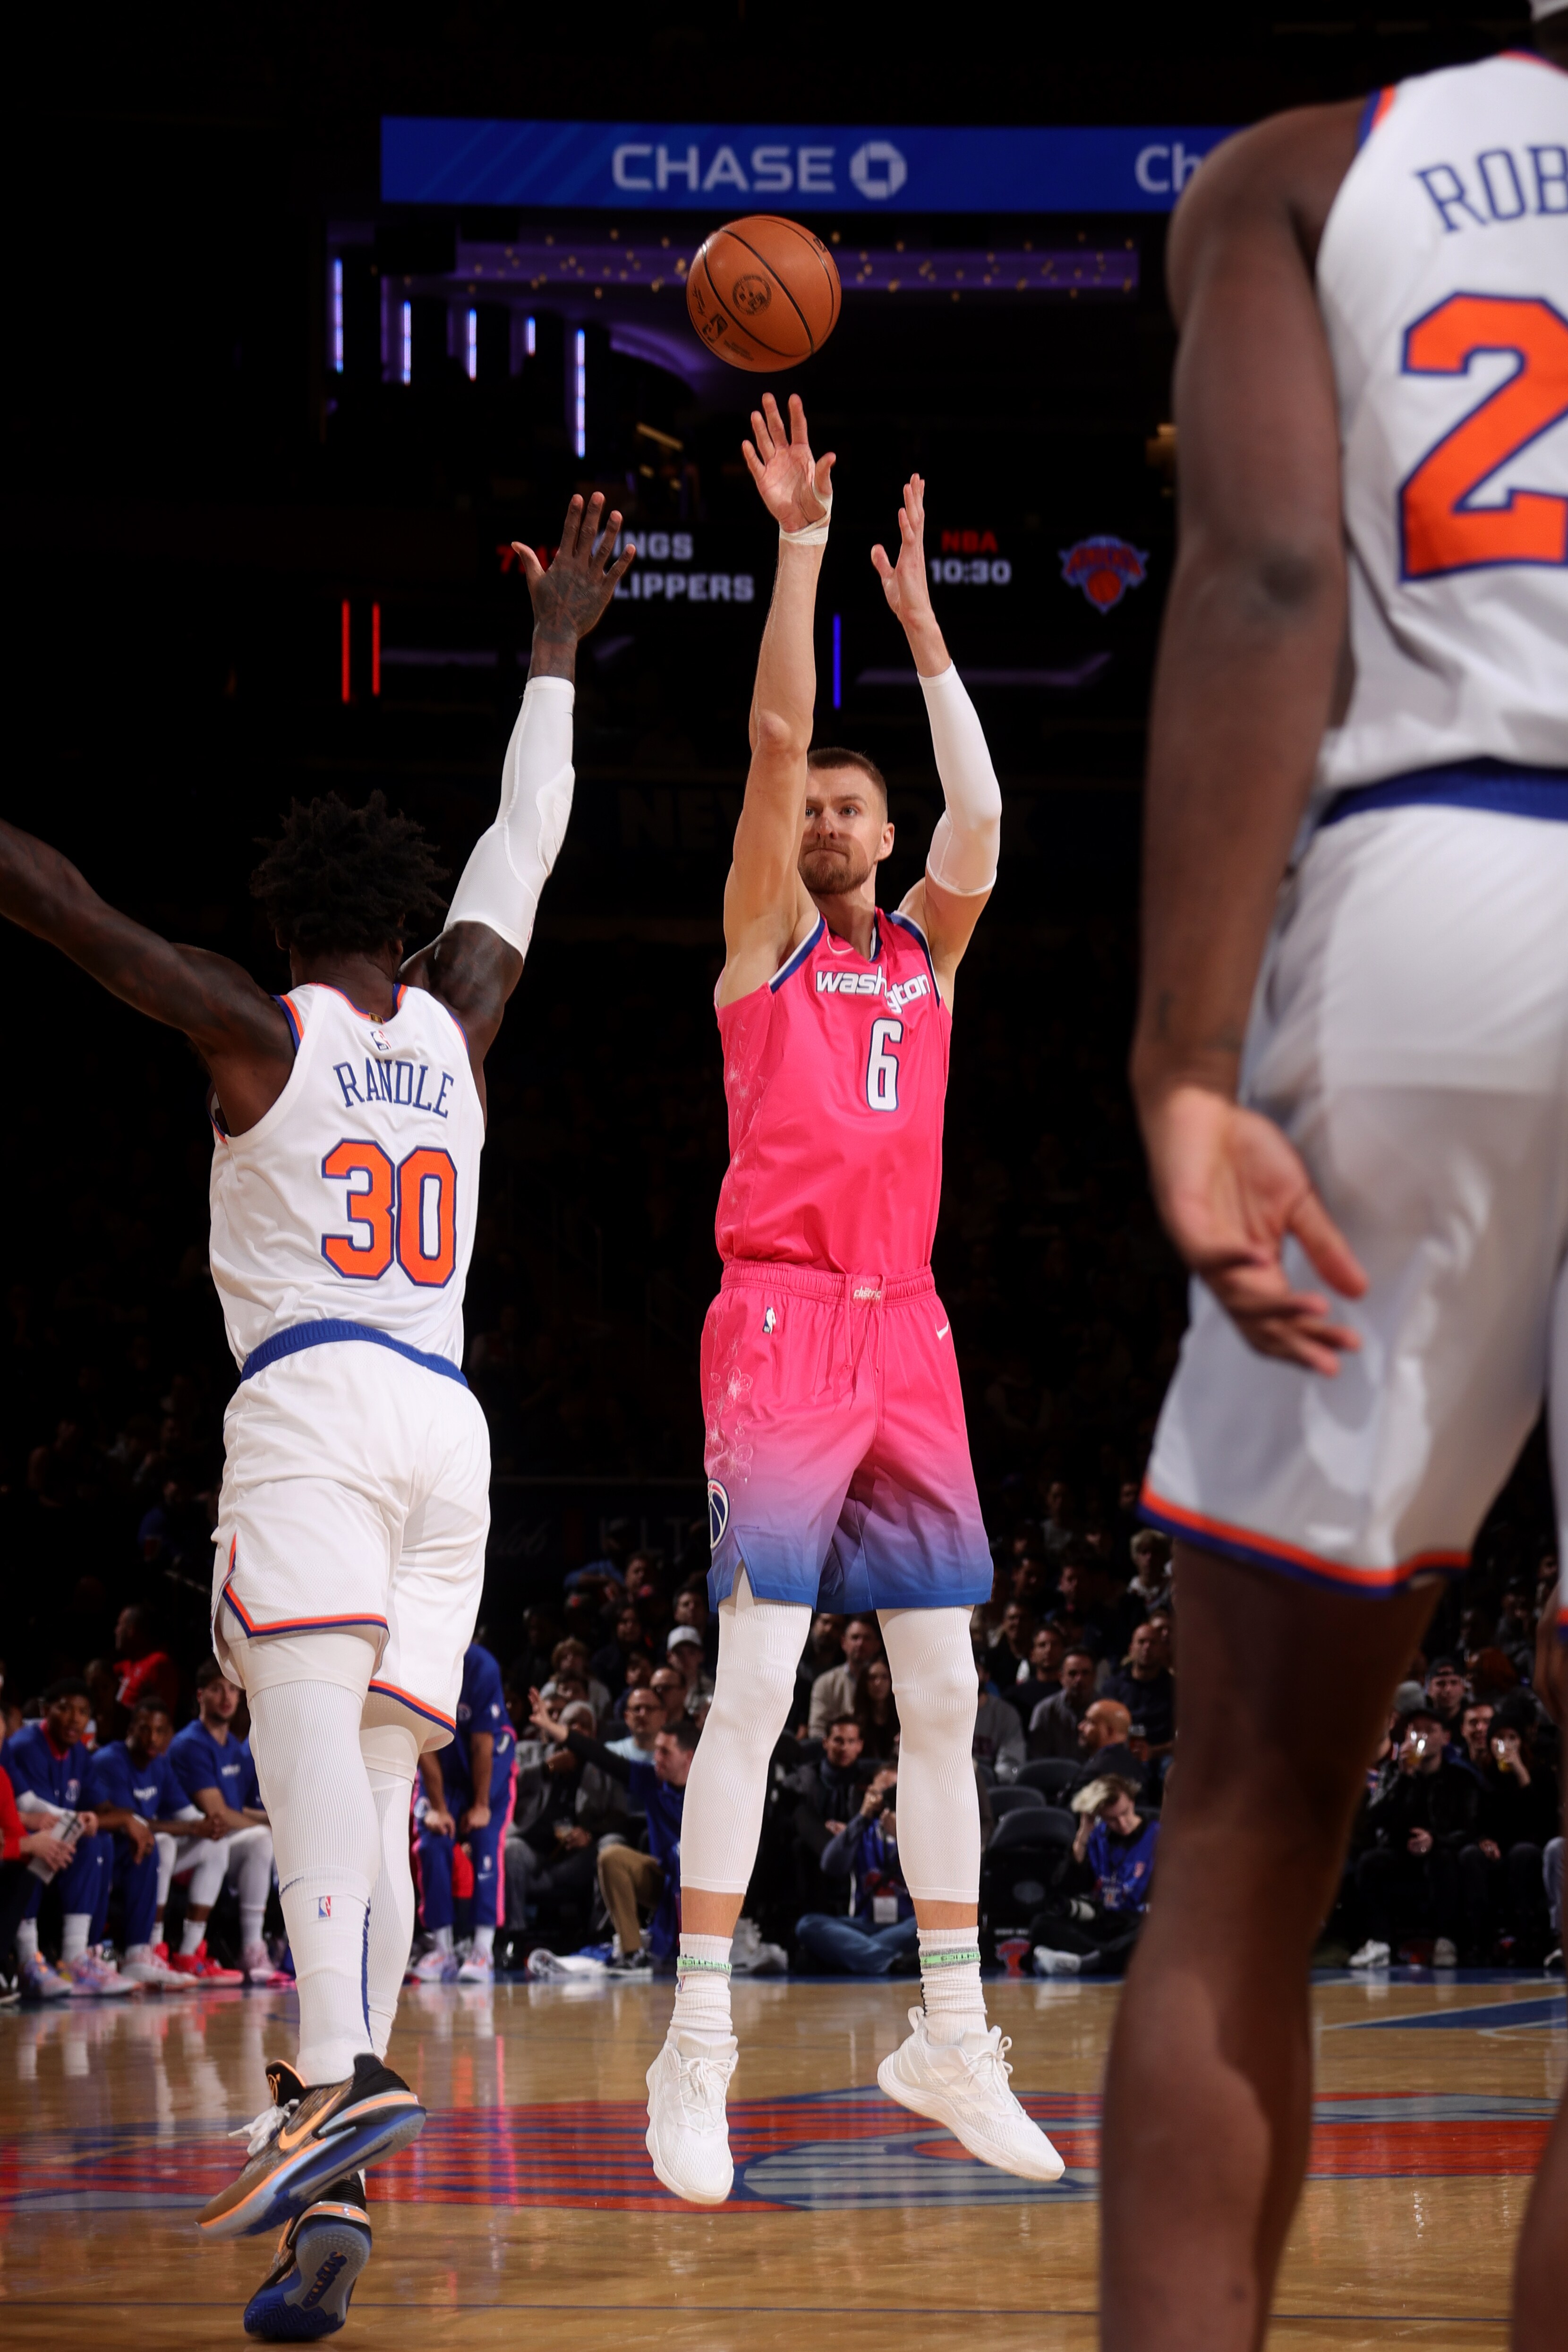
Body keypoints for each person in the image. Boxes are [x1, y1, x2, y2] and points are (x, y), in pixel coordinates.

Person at [0, 491, 633, 2279]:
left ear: (286, 919)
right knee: (364, 1788)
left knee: (311, 1787)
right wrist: (556, 649)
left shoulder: (255, 1027)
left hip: (313, 1412)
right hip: (450, 1425)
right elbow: (525, 840)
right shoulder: (463, 1018)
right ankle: (333, 2187)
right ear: (401, 920)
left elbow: (58, 903)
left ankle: (347, 2075)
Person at [1103, 22, 1568, 2347]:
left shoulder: (1314, 165)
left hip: (1442, 893)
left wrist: (1187, 1058)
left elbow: (1272, 572)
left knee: (1256, 1807)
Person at [652, 401, 1060, 2206]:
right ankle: (695, 2039)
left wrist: (918, 627)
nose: (821, 809)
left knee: (945, 1692)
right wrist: (802, 549)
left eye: (846, 800)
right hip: (783, 1325)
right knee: (750, 1681)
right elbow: (759, 732)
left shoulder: (929, 953)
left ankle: (949, 2033)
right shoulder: (767, 943)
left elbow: (981, 804)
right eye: (810, 799)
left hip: (909, 1330)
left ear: (884, 836)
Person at [528, 1689, 694, 1971]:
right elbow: (601, 1756)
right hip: (665, 1881)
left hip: (703, 1885)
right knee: (612, 1856)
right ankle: (632, 1953)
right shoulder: (651, 1781)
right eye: (656, 1751)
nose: (657, 1758)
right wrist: (553, 1728)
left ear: (689, 1758)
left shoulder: (712, 1791)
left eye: (666, 1752)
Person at [3, 1679, 125, 1995]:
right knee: (36, 1839)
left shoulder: (78, 1754)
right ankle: (30, 1959)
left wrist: (129, 1819)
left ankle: (78, 1956)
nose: (74, 1718)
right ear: (46, 1710)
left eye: (83, 1711)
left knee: (97, 1841)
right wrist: (69, 1820)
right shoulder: (26, 1745)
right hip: (15, 1842)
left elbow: (98, 1806)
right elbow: (27, 1810)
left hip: (23, 1835)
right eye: (66, 1709)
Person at [162, 1659, 274, 1986]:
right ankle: (251, 1946)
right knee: (261, 1841)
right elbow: (218, 1813)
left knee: (270, 1838)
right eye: (216, 1689)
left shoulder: (235, 1748)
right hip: (188, 1846)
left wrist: (277, 1821)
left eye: (231, 1689)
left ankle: (266, 1947)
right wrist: (269, 1829)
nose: (226, 1697)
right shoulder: (190, 1744)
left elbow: (237, 1807)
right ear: (200, 1696)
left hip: (222, 1842)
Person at [84, 1696, 207, 1990]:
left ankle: (170, 1954)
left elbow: (190, 1816)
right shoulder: (111, 1761)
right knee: (157, 1842)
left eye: (160, 1731)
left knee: (212, 1846)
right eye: (144, 1729)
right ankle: (144, 1948)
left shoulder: (160, 1764)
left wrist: (209, 1824)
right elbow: (130, 1819)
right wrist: (192, 1826)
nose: (152, 1738)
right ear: (130, 1728)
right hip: (106, 1854)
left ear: (169, 1735)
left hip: (133, 1858)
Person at [412, 1641, 515, 1984]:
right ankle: (442, 1949)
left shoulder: (482, 1666)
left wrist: (482, 1805)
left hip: (489, 1762)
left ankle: (483, 1949)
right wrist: (439, 1809)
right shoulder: (416, 1658)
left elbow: (482, 1743)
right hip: (442, 1761)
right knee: (431, 1842)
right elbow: (420, 1742)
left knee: (486, 1840)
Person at [1350, 1708, 1479, 1967]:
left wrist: (1435, 1840)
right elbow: (1374, 1819)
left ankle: (1447, 1941)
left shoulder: (1460, 1778)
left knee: (1443, 1860)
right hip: (1400, 1851)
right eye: (1415, 1731)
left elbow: (1470, 1829)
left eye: (1430, 1731)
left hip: (1442, 1852)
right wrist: (1404, 1779)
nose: (1422, 1737)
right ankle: (1380, 1943)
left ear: (1445, 1738)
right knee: (1369, 1862)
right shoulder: (1391, 1773)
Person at [1033, 1776, 1160, 1977]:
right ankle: (1105, 1957)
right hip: (1104, 1921)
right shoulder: (1097, 1838)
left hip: (1138, 1921)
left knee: (1155, 1932)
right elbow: (1065, 1887)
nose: (1123, 1823)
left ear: (1132, 1801)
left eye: (1125, 1813)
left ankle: (1086, 1962)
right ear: (1100, 1815)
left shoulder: (1158, 1834)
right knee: (1042, 1925)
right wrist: (1083, 1834)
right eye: (1112, 1819)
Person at [796, 1768, 919, 1975]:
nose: (889, 1798)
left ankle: (858, 1955)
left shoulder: (920, 1832)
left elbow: (936, 1877)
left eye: (895, 1791)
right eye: (882, 1792)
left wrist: (902, 1835)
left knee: (925, 1927)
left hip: (907, 1925)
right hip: (866, 1924)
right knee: (807, 1925)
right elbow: (830, 1866)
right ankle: (890, 1961)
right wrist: (862, 1817)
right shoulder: (861, 1831)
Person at [1101, 1621, 1177, 1761]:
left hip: (1164, 1755)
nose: (1147, 1647)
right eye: (1142, 1642)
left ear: (1162, 1649)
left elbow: (1186, 1737)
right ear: (1131, 1649)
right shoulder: (1113, 1687)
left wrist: (1154, 1752)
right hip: (1122, 1754)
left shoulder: (1175, 1688)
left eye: (1153, 1643)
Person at [805, 1615, 882, 1738]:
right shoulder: (826, 1683)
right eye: (855, 1637)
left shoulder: (886, 1682)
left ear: (878, 1645)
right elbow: (817, 1731)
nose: (860, 1643)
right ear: (844, 1642)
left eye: (867, 1638)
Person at [1028, 1646, 1099, 1762]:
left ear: (1094, 1676)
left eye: (1085, 1673)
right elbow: (1037, 1758)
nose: (1079, 1679)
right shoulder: (1046, 1710)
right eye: (1073, 1674)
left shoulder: (1107, 1710)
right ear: (1061, 1677)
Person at [113, 1604, 180, 1720]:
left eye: (120, 1624)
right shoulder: (126, 1665)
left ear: (131, 1630)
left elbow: (163, 1715)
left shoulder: (158, 1663)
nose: (116, 1631)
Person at [972, 1652, 1026, 1781]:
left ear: (987, 1676)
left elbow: (1010, 1765)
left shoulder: (1006, 1714)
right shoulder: (944, 1711)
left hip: (992, 1787)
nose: (969, 1677)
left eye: (975, 1670)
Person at [852, 1657, 901, 1760]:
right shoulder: (855, 1723)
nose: (878, 1683)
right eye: (872, 1678)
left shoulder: (902, 1719)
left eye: (885, 1677)